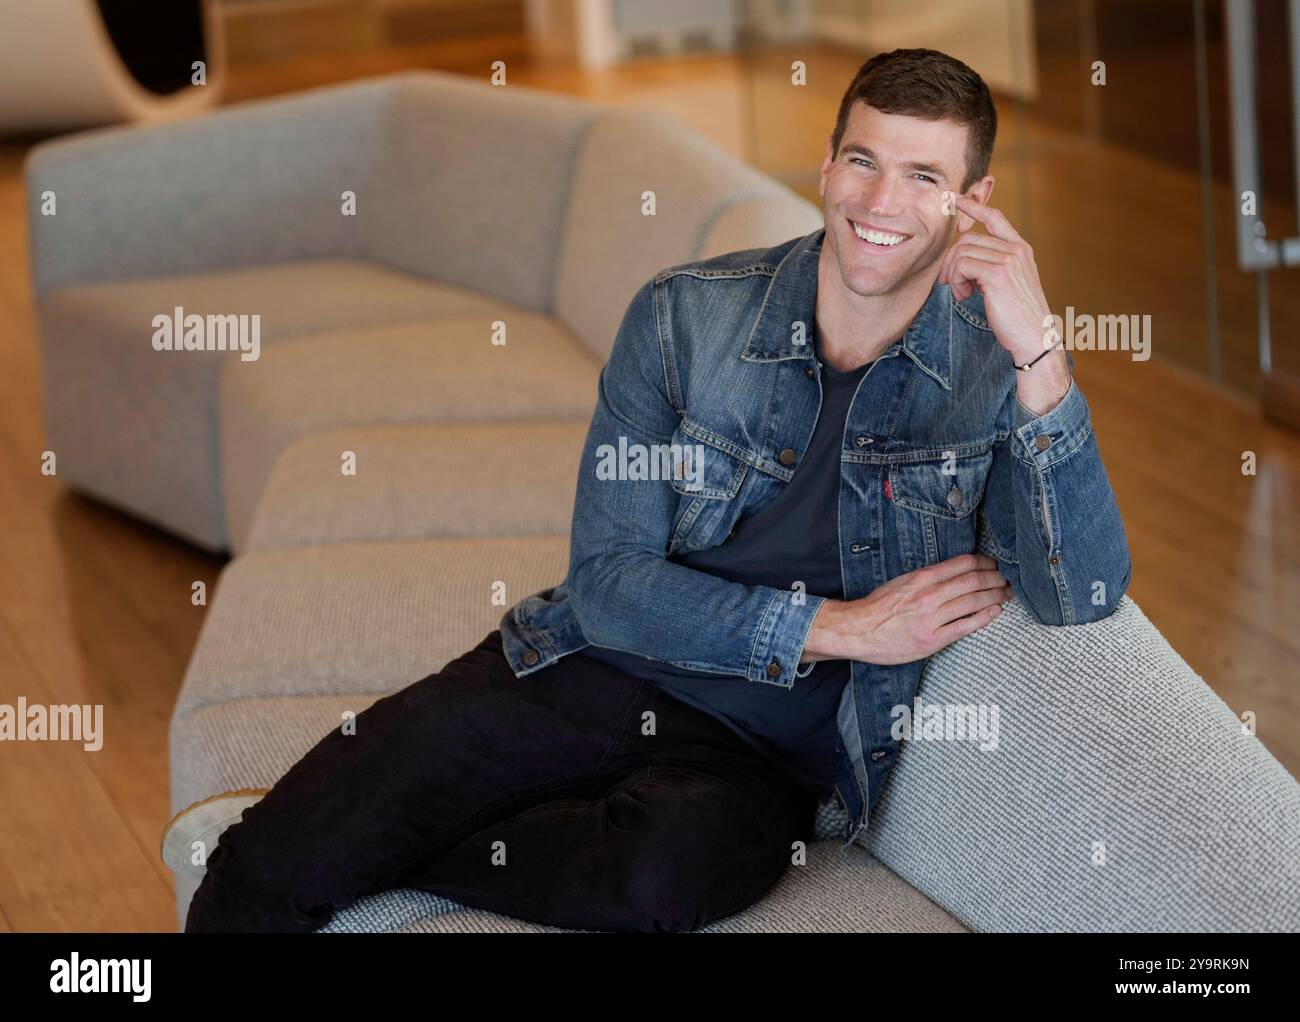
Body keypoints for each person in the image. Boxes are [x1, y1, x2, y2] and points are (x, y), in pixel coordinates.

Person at [164, 47, 1130, 933]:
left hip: (758, 760)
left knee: (660, 880)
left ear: (975, 203)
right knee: (269, 863)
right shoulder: (685, 319)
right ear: (827, 166)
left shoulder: (992, 369)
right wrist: (840, 629)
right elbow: (610, 584)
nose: (883, 200)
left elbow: (1079, 593)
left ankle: (395, 844)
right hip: (594, 663)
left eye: (925, 176)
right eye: (865, 161)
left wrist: (1042, 357)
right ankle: (353, 833)